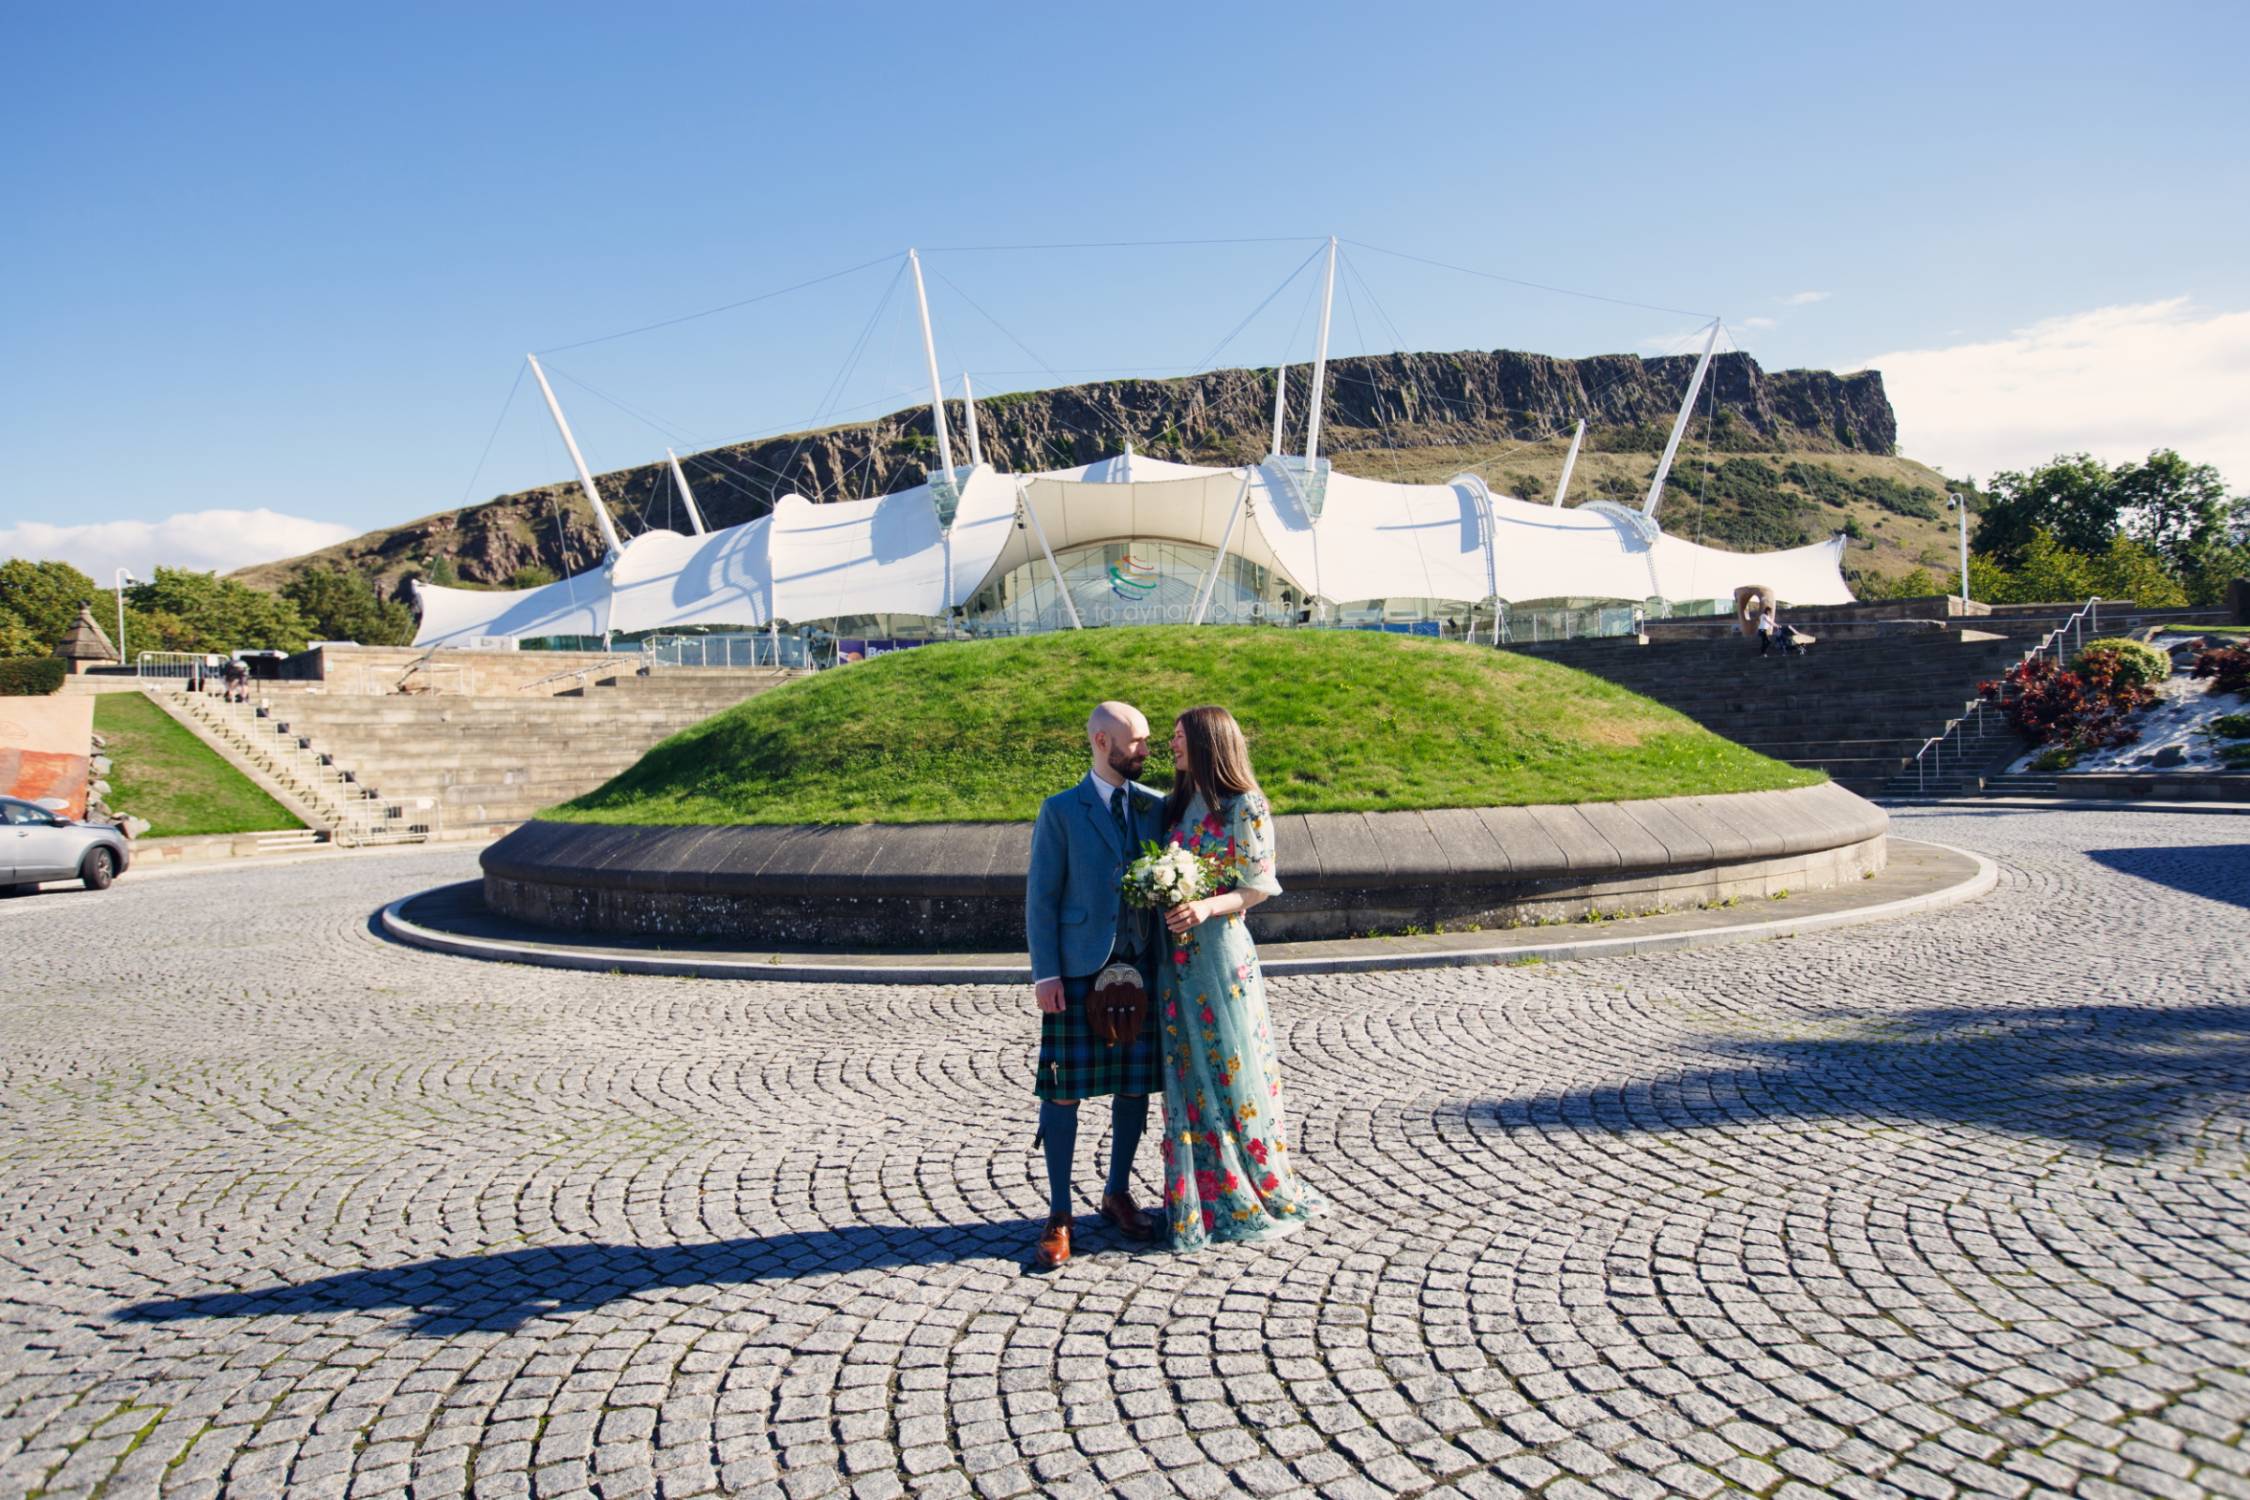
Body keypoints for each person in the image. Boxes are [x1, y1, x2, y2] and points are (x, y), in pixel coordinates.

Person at [1156, 706, 1323, 1250]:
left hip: (1221, 954)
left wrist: (1207, 907)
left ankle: (1249, 1185)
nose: (1172, 748)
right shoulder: (1178, 805)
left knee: (1232, 1067)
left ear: (1208, 742)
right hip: (1176, 958)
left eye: (1180, 739)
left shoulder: (1244, 805)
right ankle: (1198, 1196)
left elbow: (1257, 886)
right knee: (1188, 1074)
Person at [1023, 701, 1167, 1271]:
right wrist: (1046, 973)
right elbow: (1042, 897)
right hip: (1080, 972)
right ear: (1103, 742)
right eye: (1137, 742)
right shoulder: (1060, 811)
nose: (1146, 751)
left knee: (1135, 1089)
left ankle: (1117, 1193)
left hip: (1143, 968)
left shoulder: (1155, 808)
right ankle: (1059, 1213)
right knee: (1062, 1091)